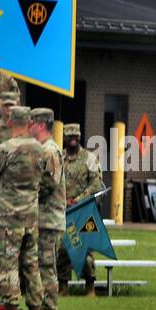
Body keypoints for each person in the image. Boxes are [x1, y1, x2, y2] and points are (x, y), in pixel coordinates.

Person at [0, 106, 50, 310]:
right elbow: (49, 183)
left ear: (10, 122)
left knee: (8, 266)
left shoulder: (5, 149)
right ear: (29, 123)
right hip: (31, 217)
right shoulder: (41, 150)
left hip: (8, 218)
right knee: (31, 265)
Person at [29, 108, 66, 310]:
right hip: (42, 219)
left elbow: (48, 184)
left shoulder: (50, 151)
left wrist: (25, 190)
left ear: (41, 125)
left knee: (46, 268)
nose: (29, 126)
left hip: (49, 220)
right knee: (40, 267)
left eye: (31, 122)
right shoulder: (42, 149)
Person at [58, 123, 104, 297]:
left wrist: (77, 200)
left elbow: (96, 184)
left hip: (84, 210)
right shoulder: (58, 157)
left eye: (75, 136)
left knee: (85, 250)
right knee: (62, 249)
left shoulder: (89, 158)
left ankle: (90, 287)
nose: (73, 140)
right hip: (63, 211)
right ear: (65, 138)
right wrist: (63, 201)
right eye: (69, 136)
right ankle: (63, 287)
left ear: (79, 137)